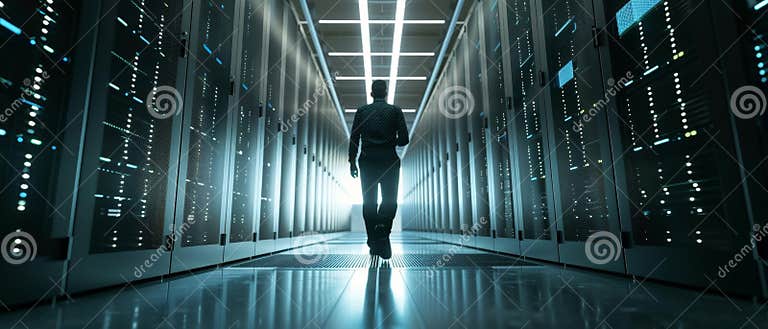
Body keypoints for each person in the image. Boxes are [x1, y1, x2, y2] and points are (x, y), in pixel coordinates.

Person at [348, 80, 409, 259]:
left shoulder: (361, 111)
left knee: (369, 202)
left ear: (371, 93)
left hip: (367, 161)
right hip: (389, 159)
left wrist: (352, 161)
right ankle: (383, 229)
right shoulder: (396, 111)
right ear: (386, 92)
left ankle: (373, 238)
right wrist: (391, 142)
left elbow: (354, 139)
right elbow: (404, 139)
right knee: (390, 200)